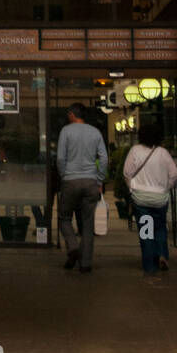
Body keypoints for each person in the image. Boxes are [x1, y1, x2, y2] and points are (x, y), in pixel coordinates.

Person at [57, 102, 109, 273]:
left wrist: (64, 175)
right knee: (87, 223)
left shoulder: (66, 131)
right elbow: (104, 158)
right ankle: (85, 264)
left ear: (72, 114)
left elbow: (60, 158)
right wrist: (99, 179)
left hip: (70, 180)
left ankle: (72, 246)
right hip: (90, 182)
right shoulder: (95, 132)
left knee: (64, 217)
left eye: (68, 114)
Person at [123, 122, 177, 279]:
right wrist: (166, 187)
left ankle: (150, 265)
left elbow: (127, 173)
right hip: (160, 198)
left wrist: (132, 188)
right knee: (160, 227)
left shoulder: (135, 151)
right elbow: (174, 173)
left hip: (141, 200)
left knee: (146, 231)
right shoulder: (163, 153)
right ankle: (162, 254)